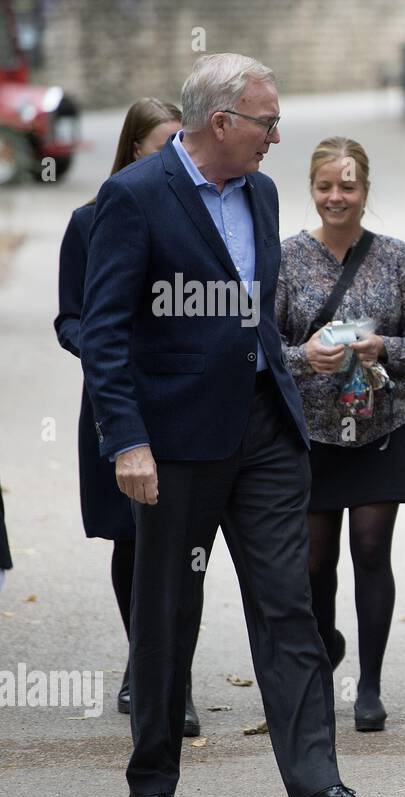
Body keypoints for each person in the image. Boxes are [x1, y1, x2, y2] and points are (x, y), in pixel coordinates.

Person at [79, 53, 389, 797]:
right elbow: (106, 332)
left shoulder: (262, 190)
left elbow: (252, 315)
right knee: (168, 611)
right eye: (267, 122)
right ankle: (152, 782)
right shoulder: (135, 197)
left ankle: (316, 785)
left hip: (264, 430)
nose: (277, 138)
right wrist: (127, 441)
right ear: (222, 122)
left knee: (290, 607)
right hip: (176, 444)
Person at [54, 98, 208, 736]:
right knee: (132, 538)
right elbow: (71, 317)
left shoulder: (207, 217)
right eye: (163, 143)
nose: (176, 154)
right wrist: (106, 349)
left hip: (187, 405)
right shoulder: (92, 221)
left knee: (188, 545)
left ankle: (178, 677)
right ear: (135, 150)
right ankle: (145, 661)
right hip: (118, 402)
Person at [277, 137, 405, 733]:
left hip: (382, 425)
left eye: (347, 186)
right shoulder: (286, 258)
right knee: (315, 563)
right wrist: (304, 359)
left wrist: (383, 348)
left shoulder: (397, 259)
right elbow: (264, 349)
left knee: (371, 550)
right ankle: (322, 657)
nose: (335, 197)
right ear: (312, 190)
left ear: (366, 192)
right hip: (312, 431)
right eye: (325, 187)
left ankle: (368, 684)